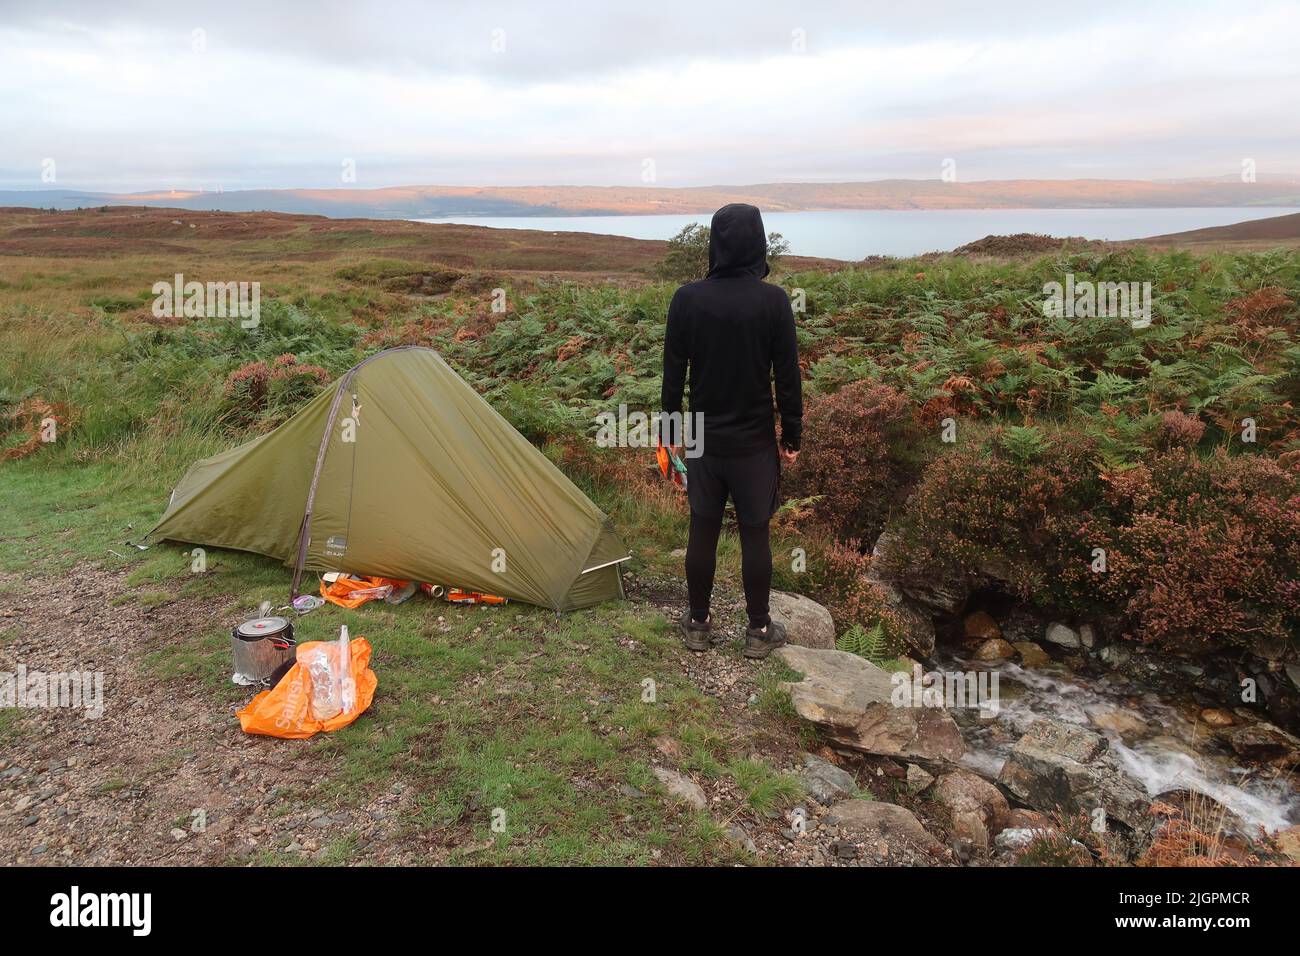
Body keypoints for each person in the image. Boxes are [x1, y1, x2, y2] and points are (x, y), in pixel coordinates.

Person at [661, 203, 803, 659]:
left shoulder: (687, 298)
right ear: (757, 242)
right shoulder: (774, 301)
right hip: (754, 439)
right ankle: (758, 630)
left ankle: (698, 623)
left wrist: (668, 436)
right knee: (755, 532)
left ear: (715, 243)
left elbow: (672, 374)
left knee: (702, 528)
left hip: (702, 437)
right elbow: (788, 377)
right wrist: (792, 437)